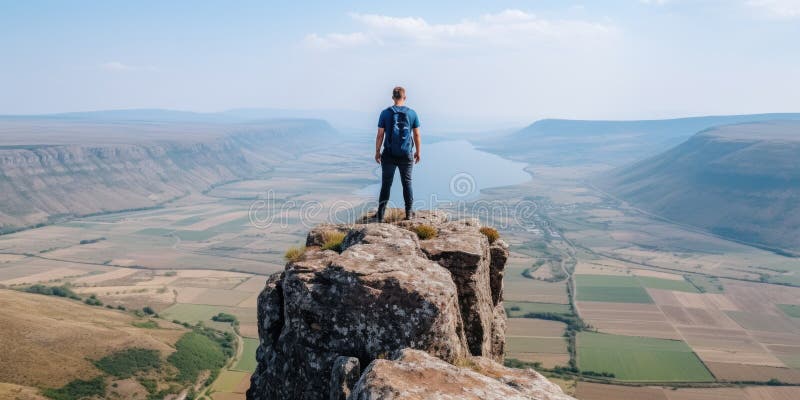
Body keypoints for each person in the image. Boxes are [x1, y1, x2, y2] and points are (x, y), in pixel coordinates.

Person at [373, 86, 421, 222]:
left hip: (388, 154)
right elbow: (416, 134)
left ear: (393, 98)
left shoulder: (385, 113)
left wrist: (377, 152)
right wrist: (418, 152)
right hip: (406, 155)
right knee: (407, 183)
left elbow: (380, 134)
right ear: (404, 98)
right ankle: (409, 214)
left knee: (386, 184)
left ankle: (381, 215)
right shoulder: (412, 114)